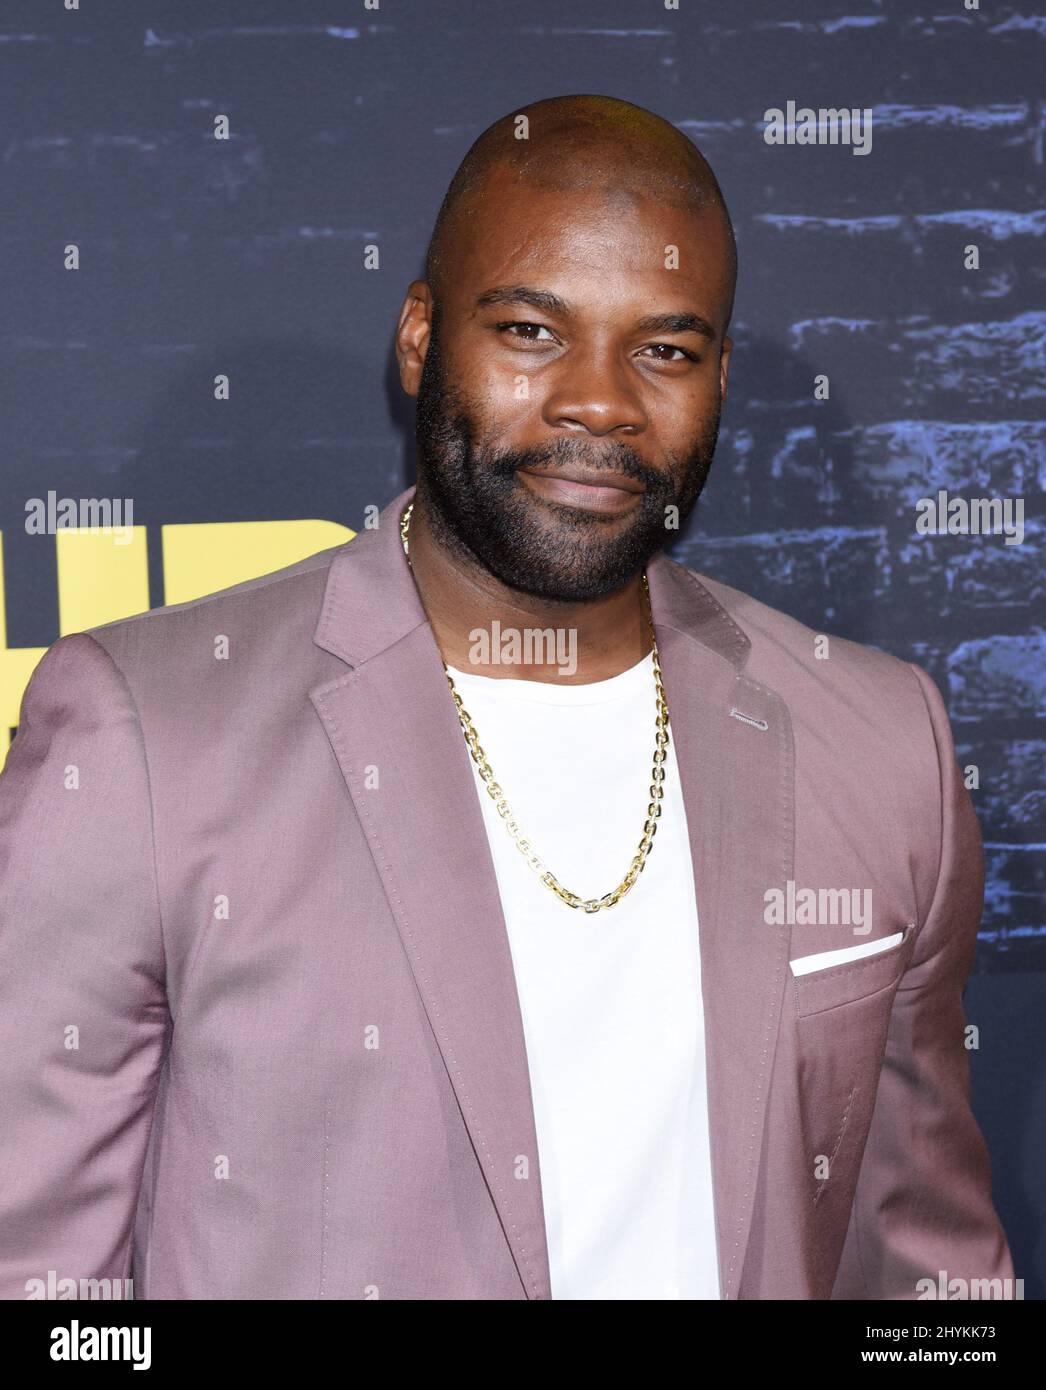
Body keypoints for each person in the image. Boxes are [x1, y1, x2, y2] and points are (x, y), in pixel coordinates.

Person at [0, 94, 1014, 1300]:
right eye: (532, 330)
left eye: (665, 349)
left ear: (719, 376)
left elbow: (925, 1268)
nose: (599, 401)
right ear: (420, 339)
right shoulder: (145, 736)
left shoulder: (878, 742)